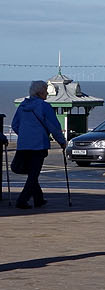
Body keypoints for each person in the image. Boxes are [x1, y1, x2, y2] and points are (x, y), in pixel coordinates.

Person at [12, 80, 68, 209]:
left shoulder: (22, 106)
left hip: (23, 145)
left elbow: (15, 125)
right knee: (33, 174)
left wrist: (25, 135)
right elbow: (54, 126)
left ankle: (39, 199)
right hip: (39, 145)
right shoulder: (44, 106)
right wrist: (61, 141)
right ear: (41, 92)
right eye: (46, 91)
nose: (47, 93)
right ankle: (22, 200)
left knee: (26, 170)